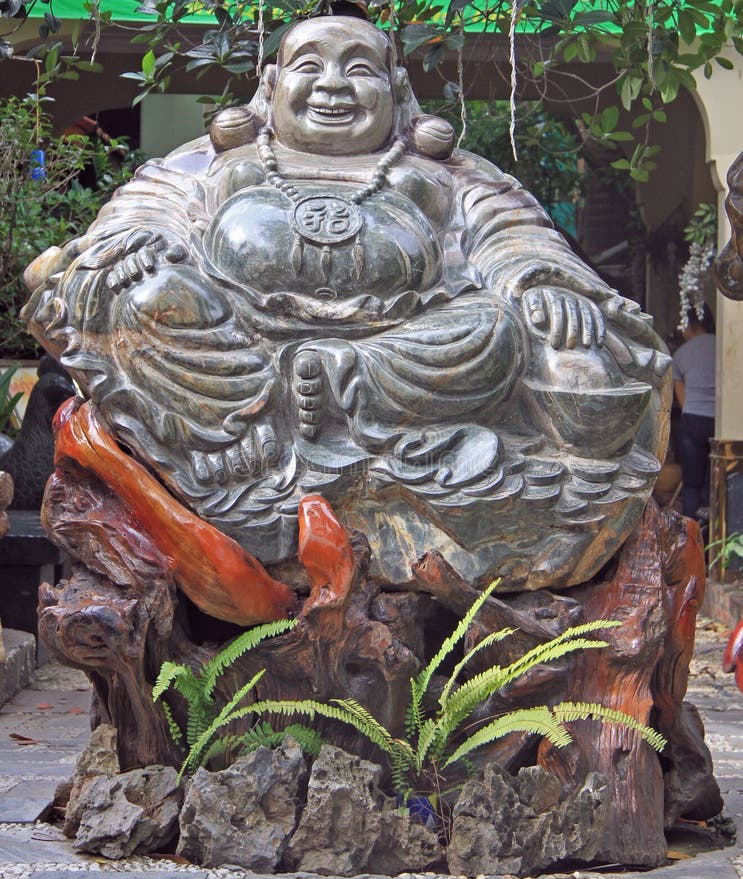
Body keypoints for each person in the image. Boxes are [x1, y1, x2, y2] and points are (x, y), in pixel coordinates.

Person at [21, 15, 672, 594]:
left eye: (357, 68)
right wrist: (129, 250)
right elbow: (137, 220)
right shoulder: (203, 165)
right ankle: (231, 440)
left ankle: (337, 385)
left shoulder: (450, 173)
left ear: (396, 90)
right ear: (270, 86)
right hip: (237, 344)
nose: (332, 84)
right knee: (147, 297)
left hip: (399, 343)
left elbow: (513, 233)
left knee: (490, 331)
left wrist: (537, 279)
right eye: (310, 66)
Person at [672, 305, 716, 519]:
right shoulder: (724, 344)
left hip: (692, 420)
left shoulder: (680, 354)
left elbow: (682, 400)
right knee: (714, 486)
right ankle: (713, 541)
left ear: (692, 325)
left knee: (691, 486)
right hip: (721, 422)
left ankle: (690, 540)